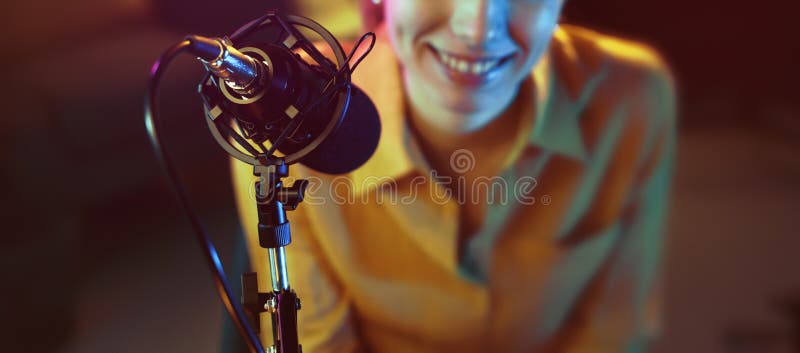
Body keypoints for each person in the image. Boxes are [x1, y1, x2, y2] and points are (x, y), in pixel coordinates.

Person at [229, 0, 676, 352]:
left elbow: (613, 333)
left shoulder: (634, 98)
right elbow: (319, 345)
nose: (477, 29)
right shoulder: (281, 123)